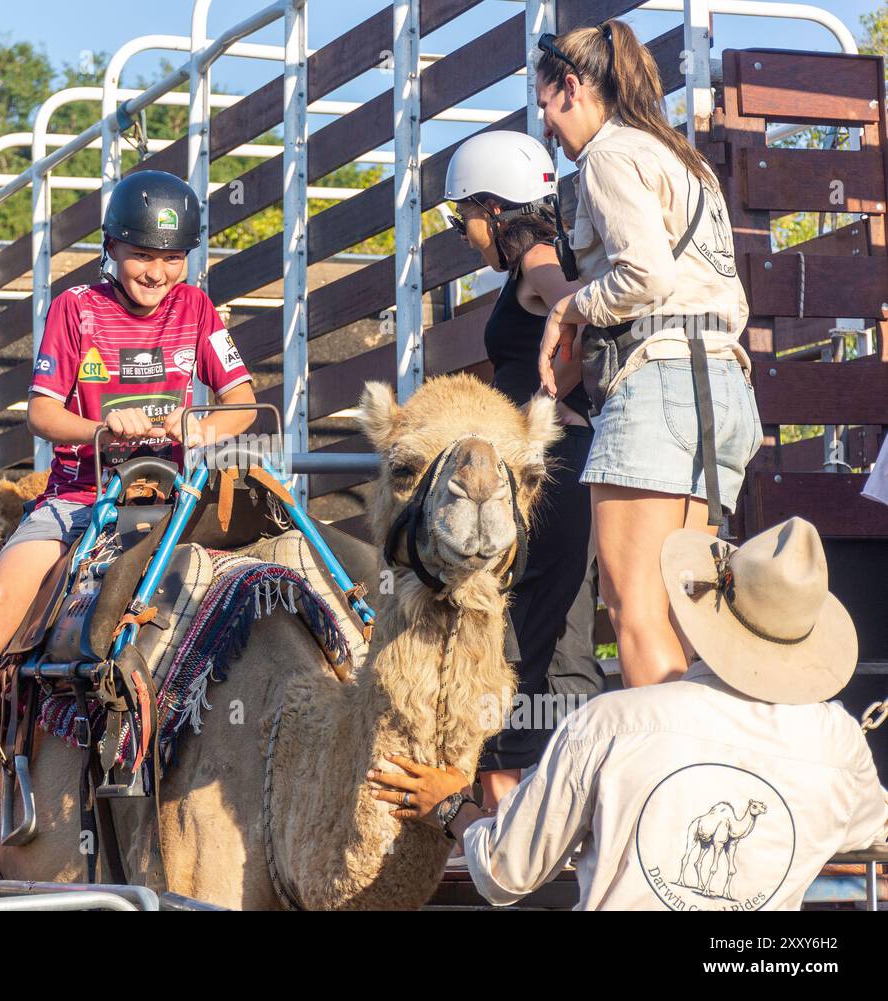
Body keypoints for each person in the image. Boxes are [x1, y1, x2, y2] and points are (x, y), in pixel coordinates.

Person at [0, 170, 257, 850]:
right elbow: (42, 412)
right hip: (78, 499)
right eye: (141, 255)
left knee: (262, 587)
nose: (156, 272)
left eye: (170, 257)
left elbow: (243, 401)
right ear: (110, 247)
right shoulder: (75, 308)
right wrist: (102, 433)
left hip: (174, 501)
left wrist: (199, 427)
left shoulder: (198, 308)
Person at [370, 516, 888, 910]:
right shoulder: (837, 745)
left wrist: (451, 807)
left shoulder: (610, 724)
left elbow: (507, 873)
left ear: (709, 613)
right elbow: (873, 831)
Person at [533, 20, 762, 688]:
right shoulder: (680, 157)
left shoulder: (608, 154)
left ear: (572, 87)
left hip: (661, 384)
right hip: (722, 386)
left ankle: (669, 782)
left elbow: (647, 277)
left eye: (546, 104)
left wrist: (569, 306)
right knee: (693, 609)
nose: (547, 123)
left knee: (634, 606)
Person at [443, 131, 604, 809]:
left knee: (526, 632)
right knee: (548, 632)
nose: (463, 232)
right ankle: (551, 812)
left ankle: (527, 819)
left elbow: (574, 306)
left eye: (462, 217)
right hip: (551, 468)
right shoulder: (533, 263)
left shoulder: (539, 259)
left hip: (553, 470)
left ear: (495, 206)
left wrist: (553, 393)